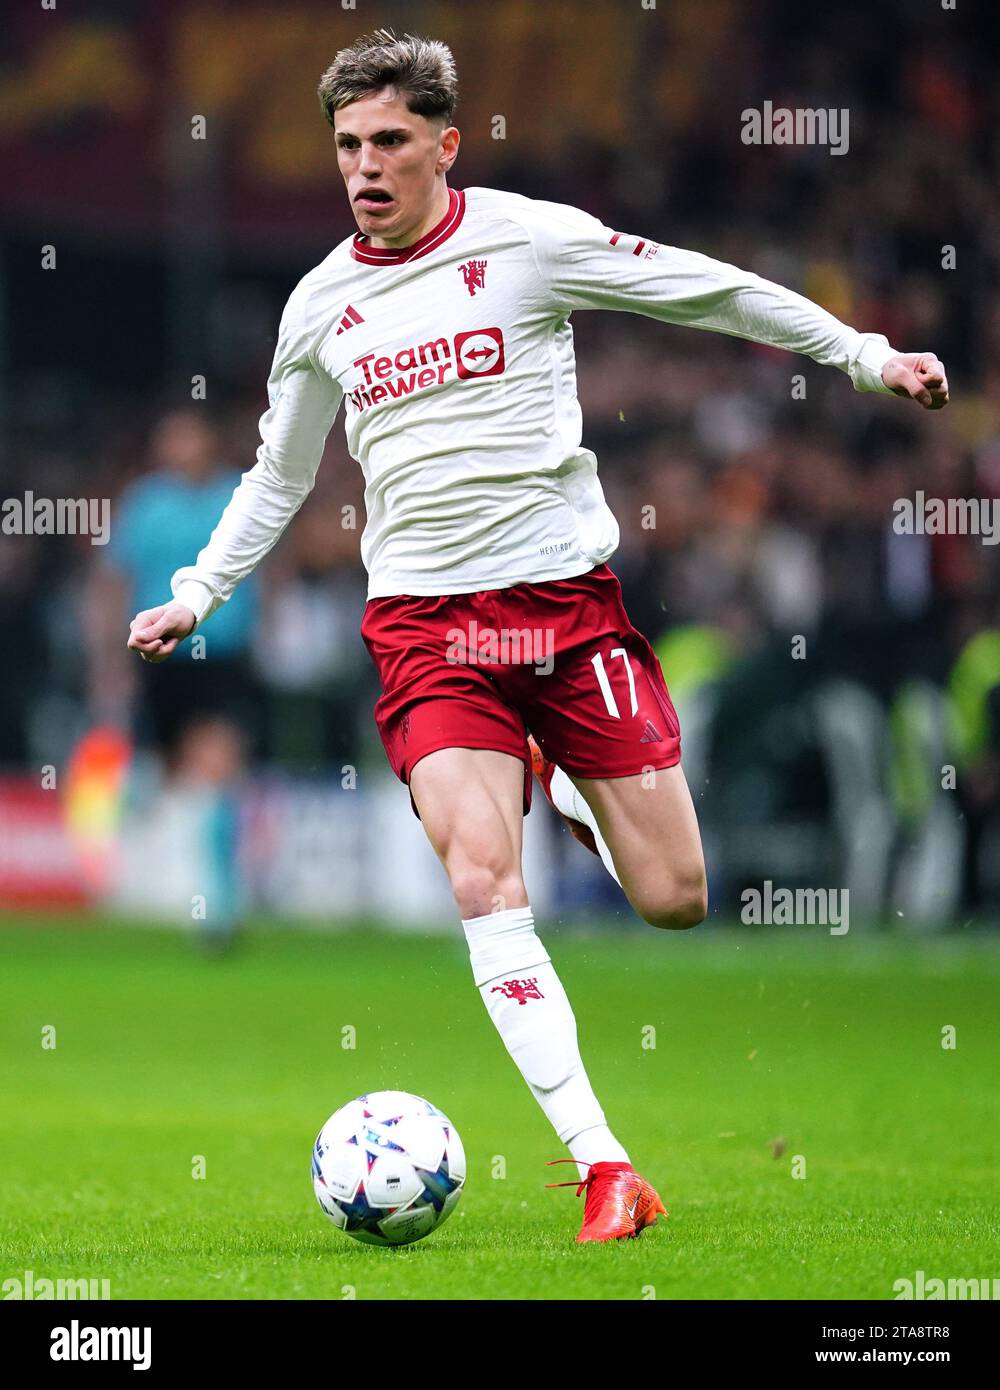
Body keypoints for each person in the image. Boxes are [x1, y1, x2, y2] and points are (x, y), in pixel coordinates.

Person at [126, 29, 950, 1243]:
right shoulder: (319, 307)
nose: (365, 166)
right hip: (424, 629)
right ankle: (603, 1160)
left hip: (567, 611)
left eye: (391, 142)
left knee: (672, 897)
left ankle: (561, 778)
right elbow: (277, 472)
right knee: (481, 877)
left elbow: (708, 284)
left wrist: (863, 354)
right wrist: (201, 589)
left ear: (444, 144)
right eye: (348, 145)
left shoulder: (527, 241)